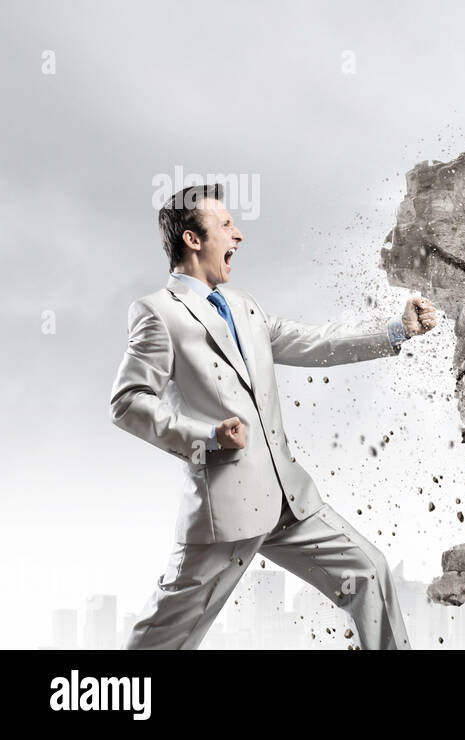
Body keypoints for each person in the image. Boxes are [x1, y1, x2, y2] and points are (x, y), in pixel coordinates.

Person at [109, 183, 436, 649]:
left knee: (370, 572)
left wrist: (395, 330)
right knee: (165, 636)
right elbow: (128, 402)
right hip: (225, 514)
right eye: (225, 225)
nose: (238, 235)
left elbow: (316, 341)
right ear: (193, 239)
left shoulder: (244, 306)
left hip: (290, 501)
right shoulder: (158, 313)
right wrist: (207, 435)